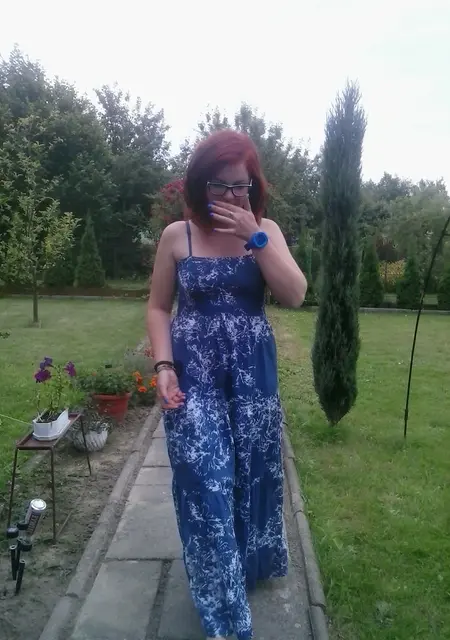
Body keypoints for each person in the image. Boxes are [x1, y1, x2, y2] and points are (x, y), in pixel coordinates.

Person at [147, 129, 307, 640]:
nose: (233, 196)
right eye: (221, 186)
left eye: (242, 186)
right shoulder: (178, 236)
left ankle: (245, 565)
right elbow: (158, 307)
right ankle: (225, 612)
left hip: (252, 380)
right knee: (205, 482)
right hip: (193, 379)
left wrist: (254, 237)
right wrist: (163, 366)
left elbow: (296, 294)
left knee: (252, 477)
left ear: (253, 185)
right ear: (200, 185)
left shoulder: (266, 231)